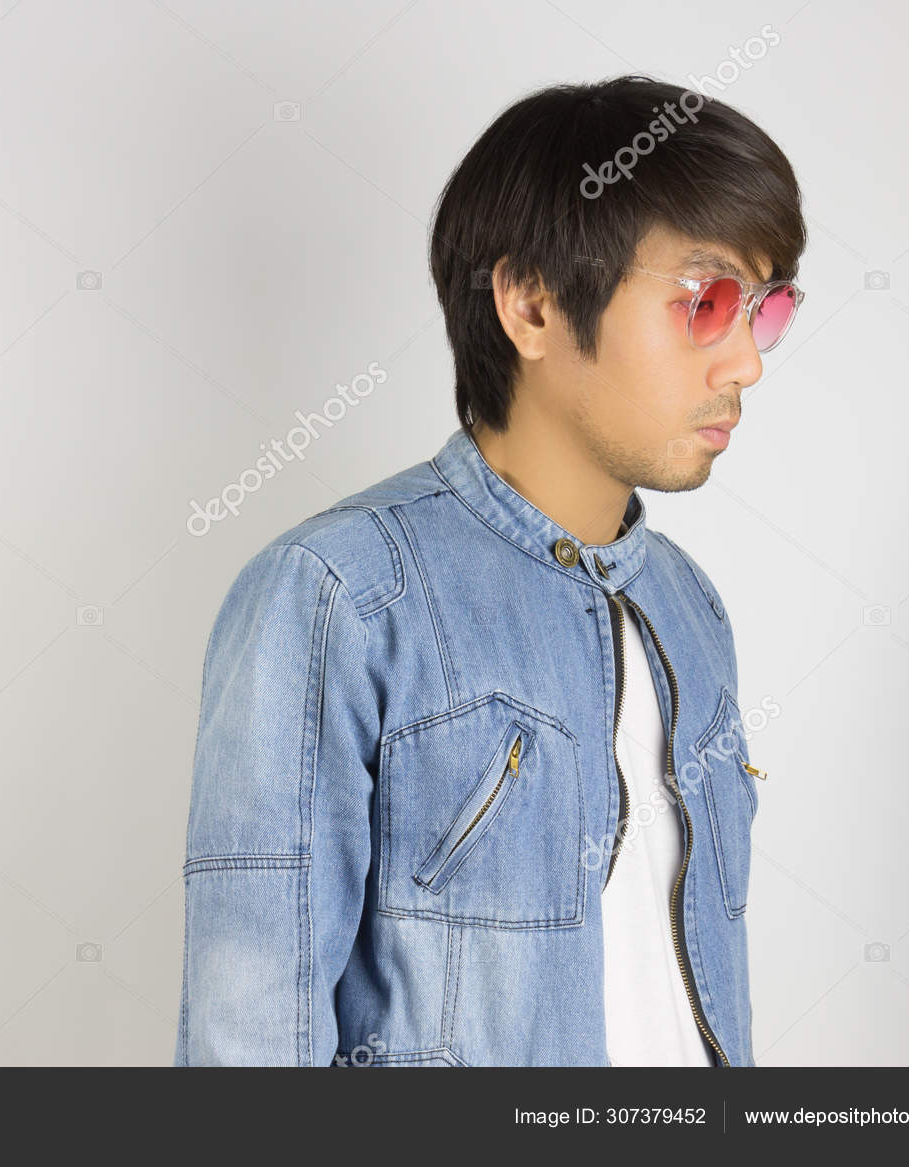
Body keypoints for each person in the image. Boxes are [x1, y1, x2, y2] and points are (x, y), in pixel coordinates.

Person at [173, 74, 804, 1067]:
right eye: (705, 302)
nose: (746, 363)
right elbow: (249, 1032)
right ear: (533, 305)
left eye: (763, 312)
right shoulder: (337, 593)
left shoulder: (685, 606)